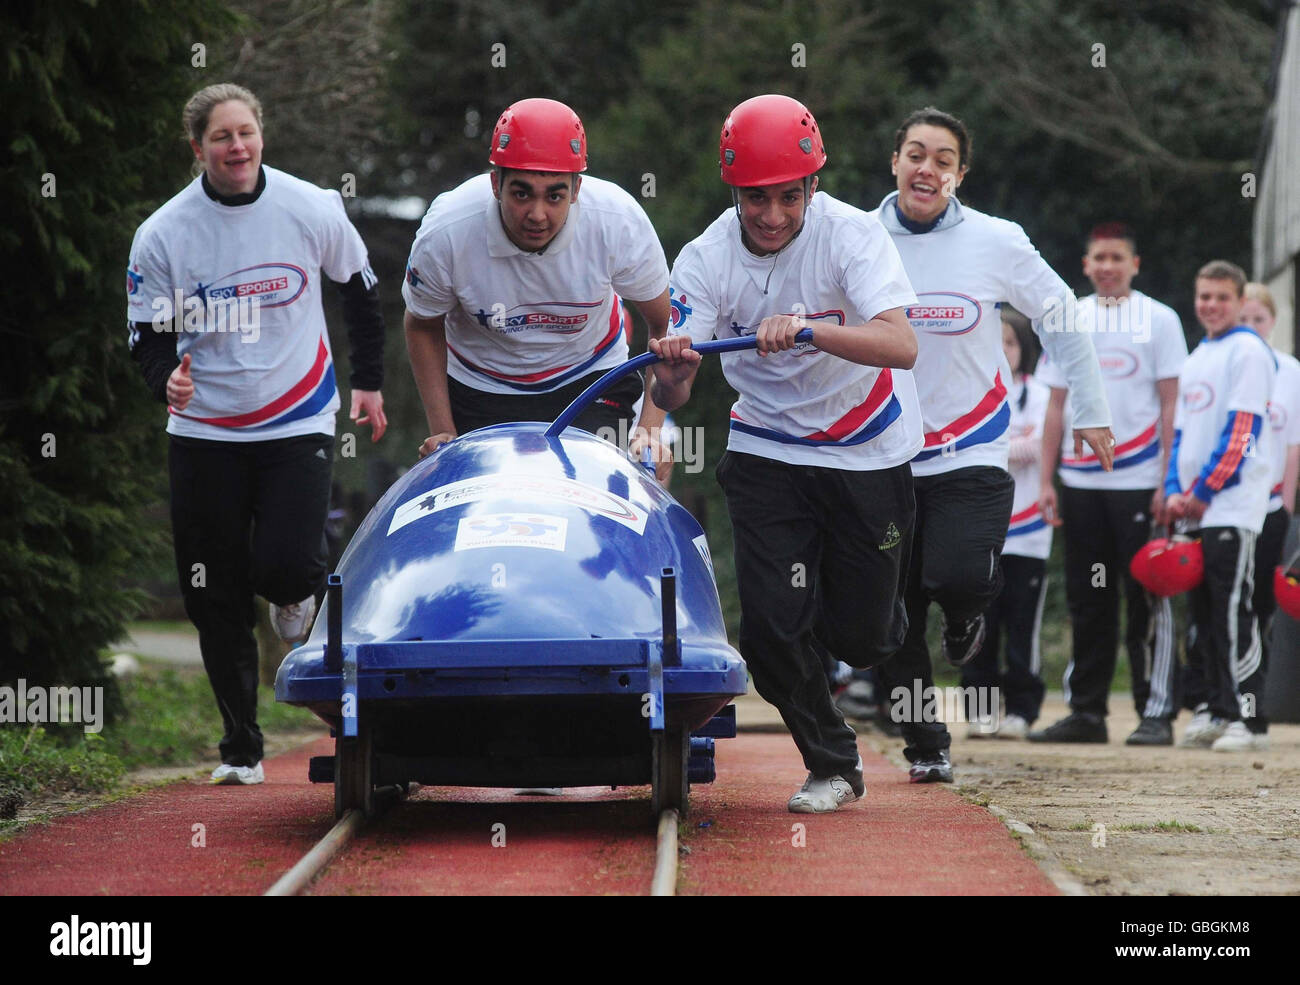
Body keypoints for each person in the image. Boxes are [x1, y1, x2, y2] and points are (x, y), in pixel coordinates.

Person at [650, 94, 923, 813]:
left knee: (864, 638)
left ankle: (879, 618)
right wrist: (672, 365)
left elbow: (902, 344)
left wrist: (811, 332)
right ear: (734, 192)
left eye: (788, 197)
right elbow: (675, 394)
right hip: (768, 449)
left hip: (867, 449)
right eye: (755, 199)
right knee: (771, 631)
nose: (772, 215)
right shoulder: (705, 257)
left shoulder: (852, 236)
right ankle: (832, 761)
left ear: (812, 188)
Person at [126, 83, 388, 784]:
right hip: (204, 429)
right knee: (211, 590)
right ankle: (241, 747)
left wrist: (369, 380)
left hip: (295, 415)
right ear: (198, 148)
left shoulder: (311, 207)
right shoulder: (164, 234)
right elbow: (147, 339)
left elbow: (360, 293)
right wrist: (165, 383)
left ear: (262, 136)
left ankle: (300, 583)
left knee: (281, 565)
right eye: (221, 137)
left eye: (246, 133)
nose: (236, 147)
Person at [867, 107, 1113, 782]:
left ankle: (970, 609)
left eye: (943, 160)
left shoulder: (996, 241)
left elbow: (1060, 312)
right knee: (895, 614)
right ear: (895, 161)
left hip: (972, 446)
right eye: (916, 153)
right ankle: (926, 742)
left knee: (955, 573)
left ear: (959, 175)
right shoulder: (854, 238)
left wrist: (1092, 410)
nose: (927, 168)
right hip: (881, 450)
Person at [402, 98, 673, 477]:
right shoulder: (447, 229)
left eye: (555, 195)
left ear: (577, 189)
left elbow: (665, 325)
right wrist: (442, 430)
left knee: (589, 496)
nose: (537, 214)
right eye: (522, 193)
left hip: (590, 377)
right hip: (481, 385)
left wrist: (650, 430)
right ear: (496, 183)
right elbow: (422, 323)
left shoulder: (618, 221)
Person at [1029, 223, 1187, 746]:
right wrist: (1048, 479)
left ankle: (1156, 711)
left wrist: (1170, 478)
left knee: (1146, 596)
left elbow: (1172, 404)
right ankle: (1087, 712)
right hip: (1079, 483)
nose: (1108, 267)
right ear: (1085, 263)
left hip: (1140, 481)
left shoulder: (1159, 319)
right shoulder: (1067, 316)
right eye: (1099, 258)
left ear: (1134, 264)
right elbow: (1055, 403)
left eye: (1117, 258)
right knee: (1087, 597)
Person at [1166, 262, 1276, 752]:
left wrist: (1205, 490)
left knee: (1233, 609)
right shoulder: (1197, 355)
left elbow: (1242, 432)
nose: (1211, 305)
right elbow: (1182, 434)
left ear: (1238, 300)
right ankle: (1213, 705)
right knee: (1202, 611)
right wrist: (1174, 487)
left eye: (1221, 297)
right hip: (1195, 507)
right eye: (1204, 296)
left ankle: (1241, 715)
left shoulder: (1249, 351)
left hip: (1232, 504)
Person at [1186, 281, 1299, 750]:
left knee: (1249, 611)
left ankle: (1249, 712)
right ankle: (1218, 704)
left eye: (1259, 319)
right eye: (1244, 318)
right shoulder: (1217, 358)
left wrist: (1286, 503)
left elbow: (1289, 441)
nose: (1250, 327)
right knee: (1212, 609)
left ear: (1273, 321)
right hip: (1215, 503)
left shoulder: (1286, 369)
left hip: (1262, 505)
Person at [963, 311, 1050, 739]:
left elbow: (1041, 445)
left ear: (1025, 348)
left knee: (1022, 624)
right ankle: (979, 708)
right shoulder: (970, 391)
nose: (1003, 351)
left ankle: (1022, 710)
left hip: (1031, 531)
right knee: (980, 624)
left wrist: (994, 445)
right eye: (994, 343)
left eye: (1010, 343)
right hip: (981, 531)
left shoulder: (1042, 394)